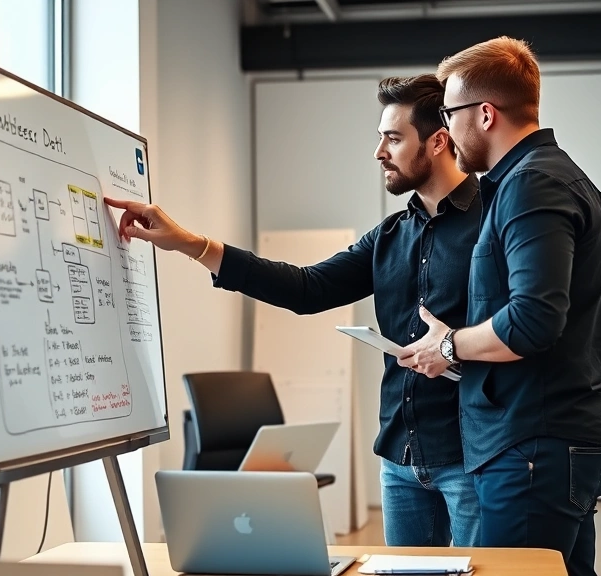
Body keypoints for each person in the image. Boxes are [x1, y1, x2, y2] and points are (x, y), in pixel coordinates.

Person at [105, 74, 483, 547]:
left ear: (438, 141)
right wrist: (188, 243)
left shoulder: (494, 222)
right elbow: (307, 288)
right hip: (400, 458)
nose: (378, 152)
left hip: (473, 456)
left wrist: (456, 346)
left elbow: (526, 324)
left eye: (393, 138)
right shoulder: (389, 237)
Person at [397, 38, 601, 574]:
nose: (445, 132)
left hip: (533, 446)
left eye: (450, 114)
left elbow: (532, 320)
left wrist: (447, 346)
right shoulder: (549, 177)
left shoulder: (531, 184)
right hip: (545, 441)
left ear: (486, 113)